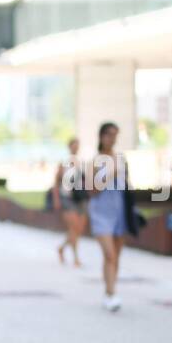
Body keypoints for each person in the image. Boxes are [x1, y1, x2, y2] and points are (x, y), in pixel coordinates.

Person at [87, 122, 128, 311]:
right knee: (109, 254)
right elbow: (91, 190)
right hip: (100, 214)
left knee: (114, 257)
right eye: (110, 134)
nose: (113, 139)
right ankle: (111, 294)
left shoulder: (121, 159)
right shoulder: (95, 161)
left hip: (118, 213)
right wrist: (109, 174)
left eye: (115, 134)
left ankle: (109, 290)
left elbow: (127, 187)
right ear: (102, 136)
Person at [50, 137, 86, 267]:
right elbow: (55, 182)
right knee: (74, 227)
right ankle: (76, 258)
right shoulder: (64, 163)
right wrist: (56, 199)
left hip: (80, 198)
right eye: (74, 145)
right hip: (67, 198)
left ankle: (62, 248)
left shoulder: (81, 163)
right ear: (69, 146)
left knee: (79, 229)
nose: (76, 148)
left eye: (78, 145)